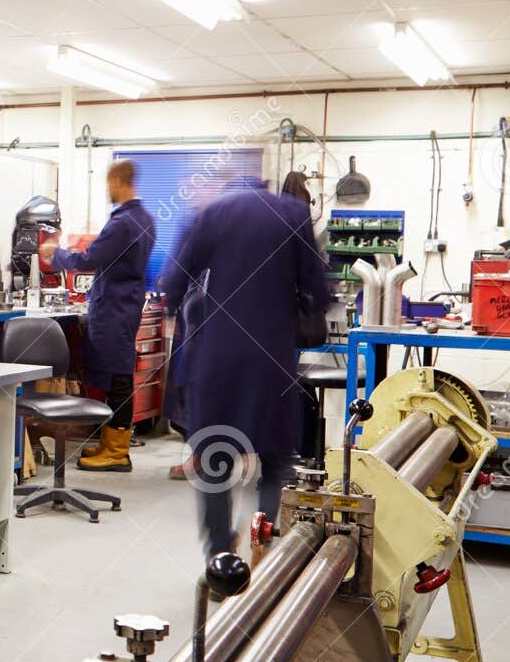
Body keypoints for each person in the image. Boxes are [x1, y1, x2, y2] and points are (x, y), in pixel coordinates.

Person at [159, 175, 331, 558]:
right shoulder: (293, 213)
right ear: (265, 184)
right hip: (271, 359)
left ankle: (220, 554)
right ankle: (265, 547)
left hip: (218, 357)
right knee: (274, 461)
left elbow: (173, 279)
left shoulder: (213, 214)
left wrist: (179, 316)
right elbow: (319, 291)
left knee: (216, 459)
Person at [38, 160, 156, 472]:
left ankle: (117, 452)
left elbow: (90, 258)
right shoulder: (144, 218)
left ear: (118, 180)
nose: (108, 190)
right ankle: (110, 442)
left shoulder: (123, 222)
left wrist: (54, 254)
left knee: (117, 377)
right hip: (123, 305)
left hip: (114, 308)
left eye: (108, 183)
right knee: (117, 374)